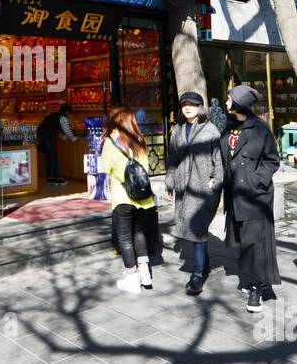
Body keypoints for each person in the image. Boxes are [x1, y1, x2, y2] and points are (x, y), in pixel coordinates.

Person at [219, 84, 281, 312]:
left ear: (240, 103)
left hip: (256, 197)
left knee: (255, 244)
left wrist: (257, 180)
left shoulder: (261, 129)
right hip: (234, 197)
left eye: (229, 99)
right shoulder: (228, 127)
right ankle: (254, 280)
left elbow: (272, 160)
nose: (226, 102)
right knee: (243, 243)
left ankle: (256, 289)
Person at [99, 105, 163, 293]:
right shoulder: (139, 140)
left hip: (123, 198)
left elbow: (105, 167)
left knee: (125, 239)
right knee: (139, 234)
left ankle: (132, 278)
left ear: (114, 120)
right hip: (144, 199)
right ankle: (145, 275)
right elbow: (146, 168)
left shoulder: (112, 141)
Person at [166, 92, 224, 296]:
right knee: (192, 231)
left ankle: (197, 275)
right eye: (184, 105)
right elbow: (172, 158)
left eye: (192, 104)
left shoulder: (211, 130)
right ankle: (204, 265)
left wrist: (216, 181)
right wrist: (170, 181)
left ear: (200, 107)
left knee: (198, 231)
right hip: (183, 185)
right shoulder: (177, 131)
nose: (188, 108)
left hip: (202, 187)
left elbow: (219, 159)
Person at [37, 102, 75, 186]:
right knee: (53, 156)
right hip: (48, 136)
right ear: (67, 112)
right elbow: (67, 130)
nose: (70, 116)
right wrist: (73, 138)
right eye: (69, 113)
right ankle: (56, 178)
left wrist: (62, 137)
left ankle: (50, 178)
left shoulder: (54, 115)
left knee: (48, 156)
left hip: (42, 135)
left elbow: (54, 128)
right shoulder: (63, 118)